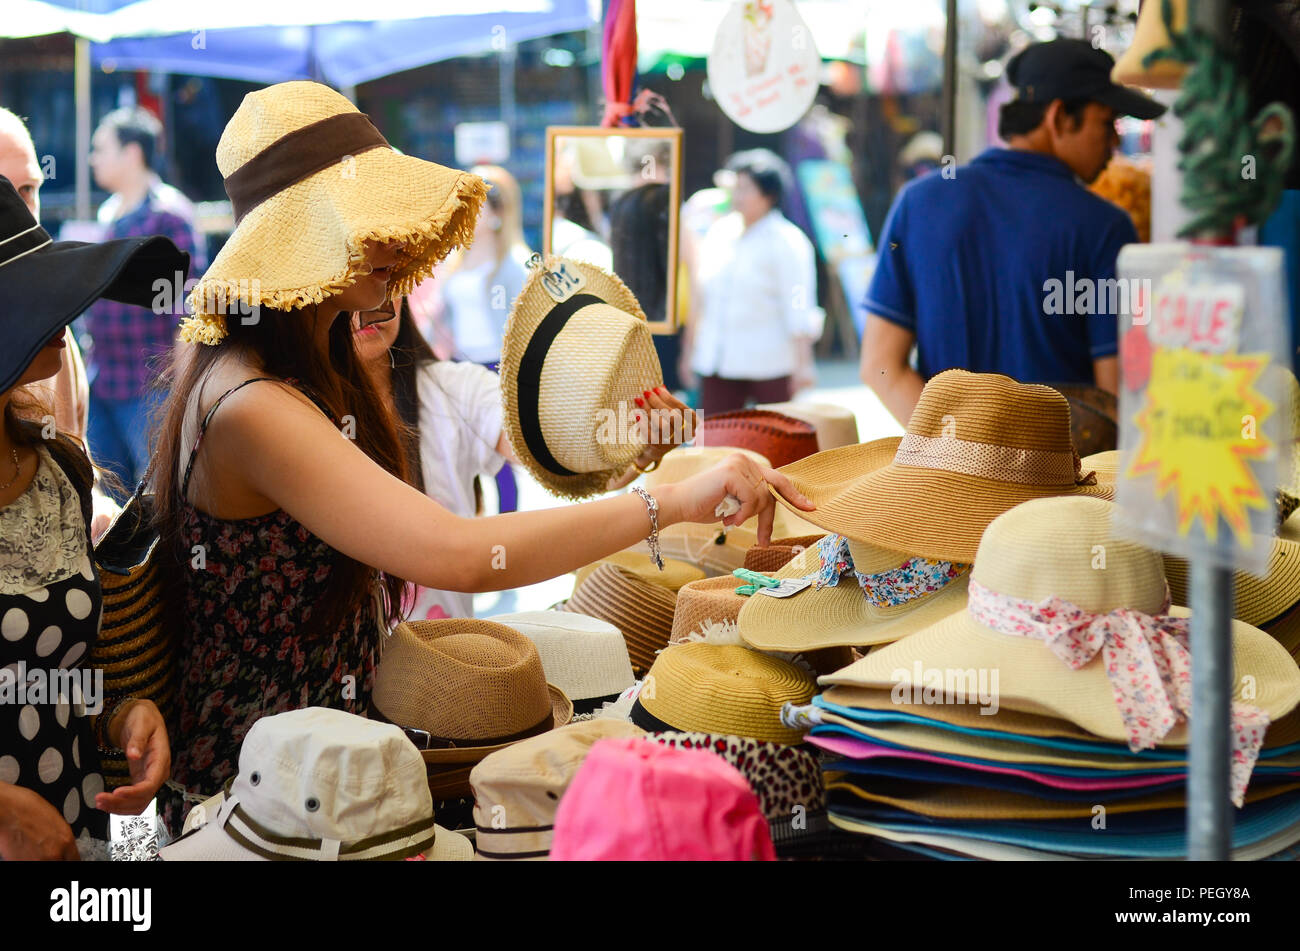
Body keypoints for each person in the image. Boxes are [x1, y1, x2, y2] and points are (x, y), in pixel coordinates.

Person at [151, 82, 808, 834]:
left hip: (328, 779)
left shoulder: (303, 375)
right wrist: (668, 503)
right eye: (370, 222)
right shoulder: (253, 406)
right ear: (303, 239)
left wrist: (657, 452)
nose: (399, 243)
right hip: (264, 809)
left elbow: (541, 453)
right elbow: (461, 555)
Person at [0, 176, 176, 860]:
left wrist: (122, 716)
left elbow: (61, 669)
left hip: (81, 839)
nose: (62, 319)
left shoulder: (59, 470)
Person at [859, 39, 1166, 425]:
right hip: (1067, 483)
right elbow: (1116, 397)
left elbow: (880, 367)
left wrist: (951, 449)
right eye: (1107, 123)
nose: (1115, 142)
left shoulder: (919, 202)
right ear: (1059, 118)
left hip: (943, 480)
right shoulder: (1106, 226)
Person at [350, 299, 696, 620]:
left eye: (384, 275)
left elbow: (568, 465)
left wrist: (644, 450)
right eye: (348, 275)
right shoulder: (302, 415)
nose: (369, 303)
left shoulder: (455, 389)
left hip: (445, 662)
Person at [84, 106, 205, 491]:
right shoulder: (108, 212)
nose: (92, 159)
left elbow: (185, 311)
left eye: (100, 149)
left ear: (131, 153)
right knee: (107, 493)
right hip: (102, 382)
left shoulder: (168, 217)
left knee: (159, 492)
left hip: (148, 389)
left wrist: (183, 398)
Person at [407, 165, 528, 513]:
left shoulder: (513, 265)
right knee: (464, 450)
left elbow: (523, 323)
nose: (469, 217)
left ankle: (510, 527)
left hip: (498, 366)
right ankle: (475, 519)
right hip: (459, 363)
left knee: (503, 458)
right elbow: (437, 314)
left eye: (478, 208)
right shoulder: (453, 261)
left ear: (497, 214)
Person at [684, 149, 822, 417]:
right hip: (716, 361)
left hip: (769, 363)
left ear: (768, 195)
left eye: (746, 189)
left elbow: (799, 303)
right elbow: (702, 296)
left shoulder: (787, 241)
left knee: (776, 444)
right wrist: (689, 350)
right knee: (713, 443)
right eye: (736, 187)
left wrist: (803, 363)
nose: (738, 196)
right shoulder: (720, 232)